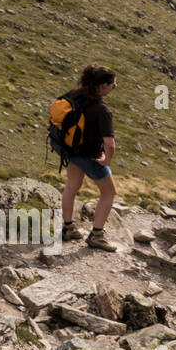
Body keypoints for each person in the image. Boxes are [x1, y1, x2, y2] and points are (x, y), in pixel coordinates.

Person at [60, 65, 118, 251]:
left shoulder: (73, 96)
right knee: (109, 193)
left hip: (71, 151)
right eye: (112, 85)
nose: (113, 88)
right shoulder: (101, 110)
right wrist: (106, 161)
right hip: (91, 156)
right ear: (102, 86)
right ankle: (97, 236)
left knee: (71, 187)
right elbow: (109, 144)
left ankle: (68, 228)